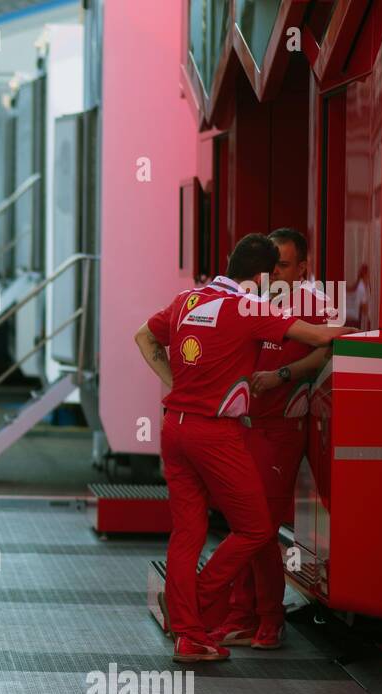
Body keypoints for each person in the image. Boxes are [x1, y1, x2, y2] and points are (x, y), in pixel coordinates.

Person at [133, 233, 349, 663]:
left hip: (174, 427)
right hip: (216, 434)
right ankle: (195, 606)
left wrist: (180, 385)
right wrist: (368, 335)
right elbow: (319, 337)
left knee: (187, 535)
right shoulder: (249, 307)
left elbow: (144, 337)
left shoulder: (187, 300)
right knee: (254, 529)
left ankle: (190, 635)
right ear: (262, 275)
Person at [215, 228, 335, 650]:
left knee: (260, 528)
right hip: (242, 426)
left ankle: (269, 618)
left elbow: (330, 347)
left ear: (303, 267)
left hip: (283, 427)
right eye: (270, 266)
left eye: (283, 265)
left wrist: (283, 375)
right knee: (242, 522)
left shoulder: (316, 304)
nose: (274, 273)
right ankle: (243, 613)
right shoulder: (252, 300)